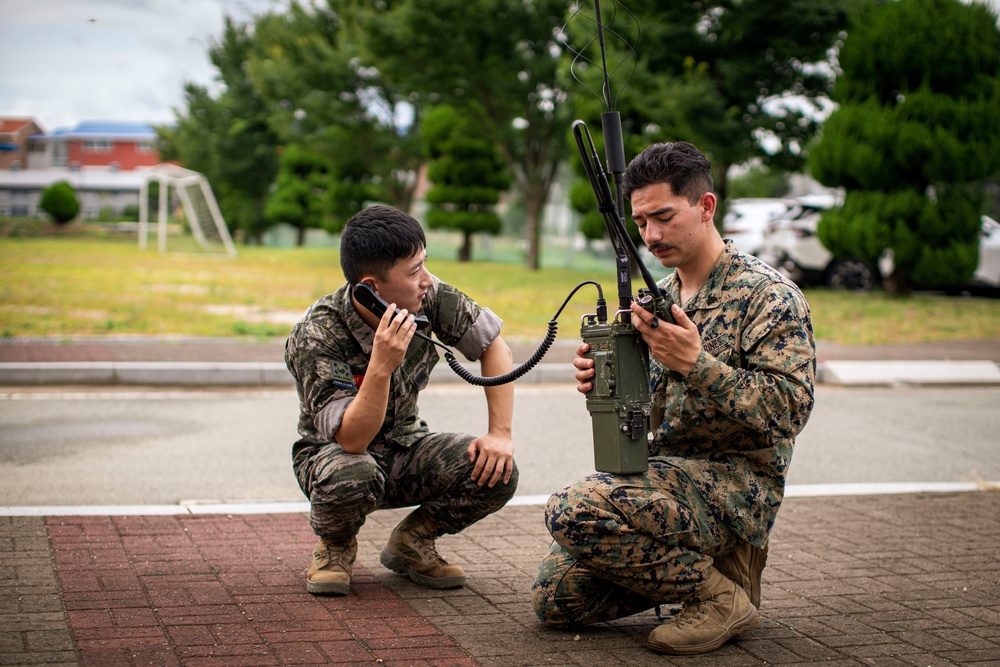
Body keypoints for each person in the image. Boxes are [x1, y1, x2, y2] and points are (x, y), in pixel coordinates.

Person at [531, 142, 816, 655]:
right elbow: (649, 411)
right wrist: (606, 381)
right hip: (667, 474)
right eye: (640, 223)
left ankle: (718, 597)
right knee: (556, 598)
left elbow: (789, 410)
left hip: (736, 485)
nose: (652, 235)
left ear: (705, 207)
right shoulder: (656, 298)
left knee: (574, 508)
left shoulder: (767, 295)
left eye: (663, 216)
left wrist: (696, 364)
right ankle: (718, 580)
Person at [285, 204, 518, 595]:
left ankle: (412, 541)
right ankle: (335, 546)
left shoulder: (426, 295)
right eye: (414, 272)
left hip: (404, 447)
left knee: (497, 471)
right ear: (371, 288)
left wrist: (500, 433)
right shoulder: (317, 335)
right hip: (334, 459)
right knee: (352, 472)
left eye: (424, 264)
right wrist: (380, 366)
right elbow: (352, 440)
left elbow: (494, 347)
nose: (426, 280)